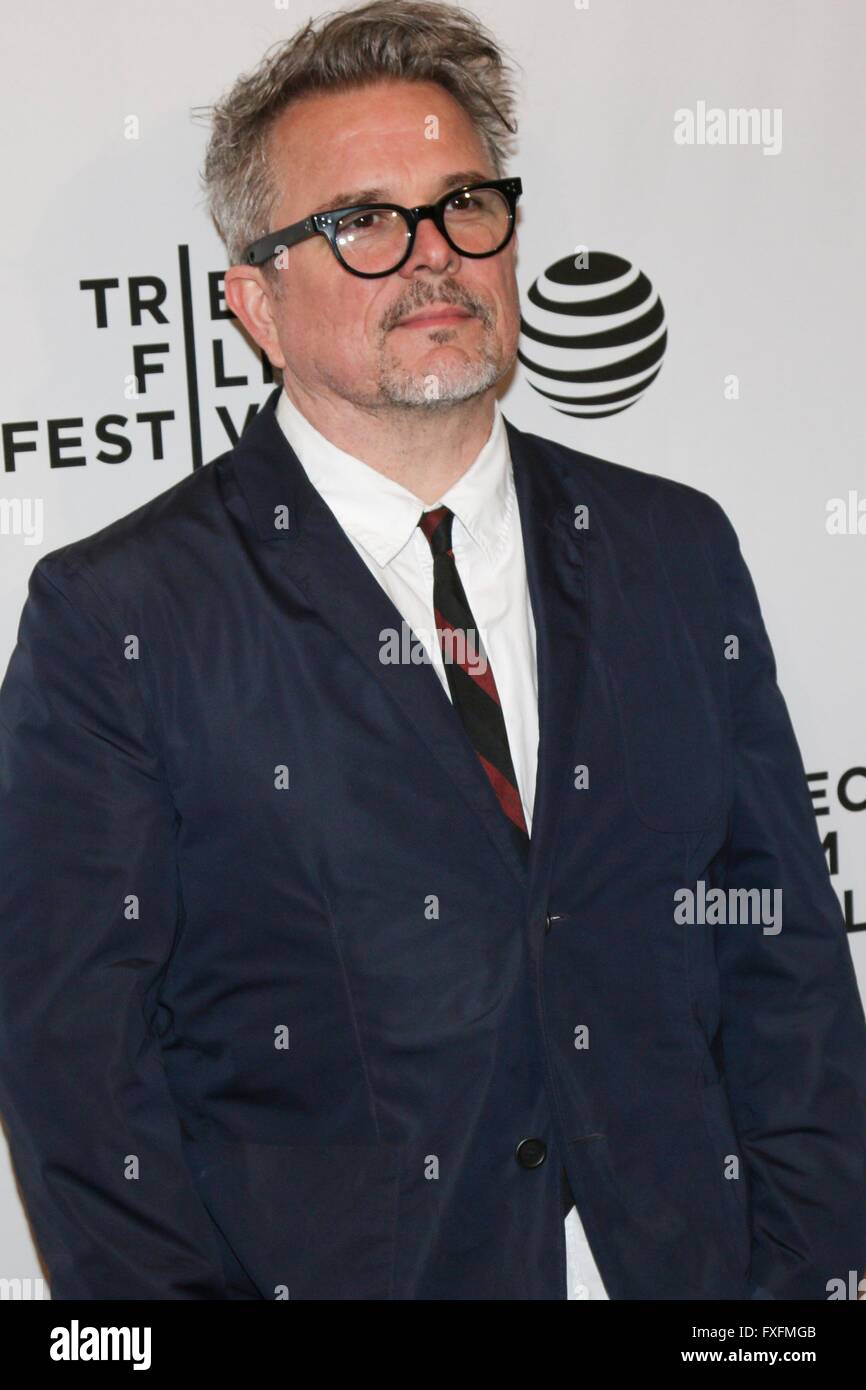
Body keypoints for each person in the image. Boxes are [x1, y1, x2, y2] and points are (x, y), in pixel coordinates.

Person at [0, 0, 864, 1301]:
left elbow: (782, 960)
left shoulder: (672, 553)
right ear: (254, 303)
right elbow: (81, 1079)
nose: (431, 257)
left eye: (464, 203)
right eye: (358, 222)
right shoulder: (121, 614)